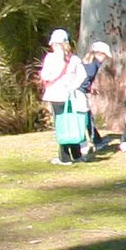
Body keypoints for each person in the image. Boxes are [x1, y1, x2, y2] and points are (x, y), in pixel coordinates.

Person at [41, 30, 89, 163]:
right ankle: (77, 155)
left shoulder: (50, 58)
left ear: (55, 43)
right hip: (70, 96)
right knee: (72, 123)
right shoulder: (74, 59)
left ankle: (65, 157)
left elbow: (45, 75)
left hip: (55, 95)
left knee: (61, 125)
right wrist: (72, 86)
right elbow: (82, 75)